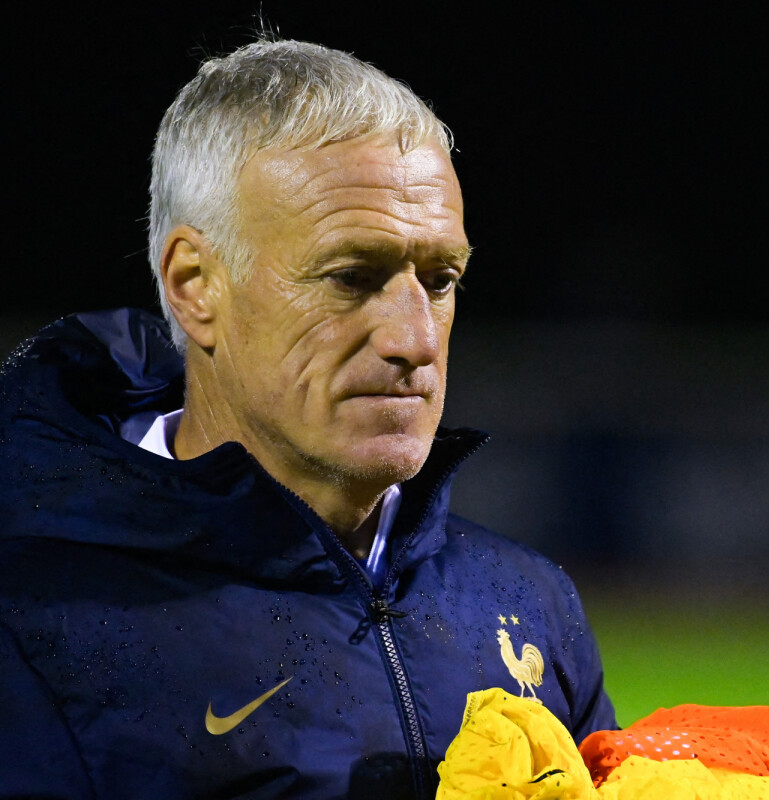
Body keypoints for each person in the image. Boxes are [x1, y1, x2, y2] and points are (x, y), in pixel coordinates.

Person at [0, 39, 616, 800]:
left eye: (440, 280)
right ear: (195, 285)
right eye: (351, 277)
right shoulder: (39, 620)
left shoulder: (528, 601)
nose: (414, 340)